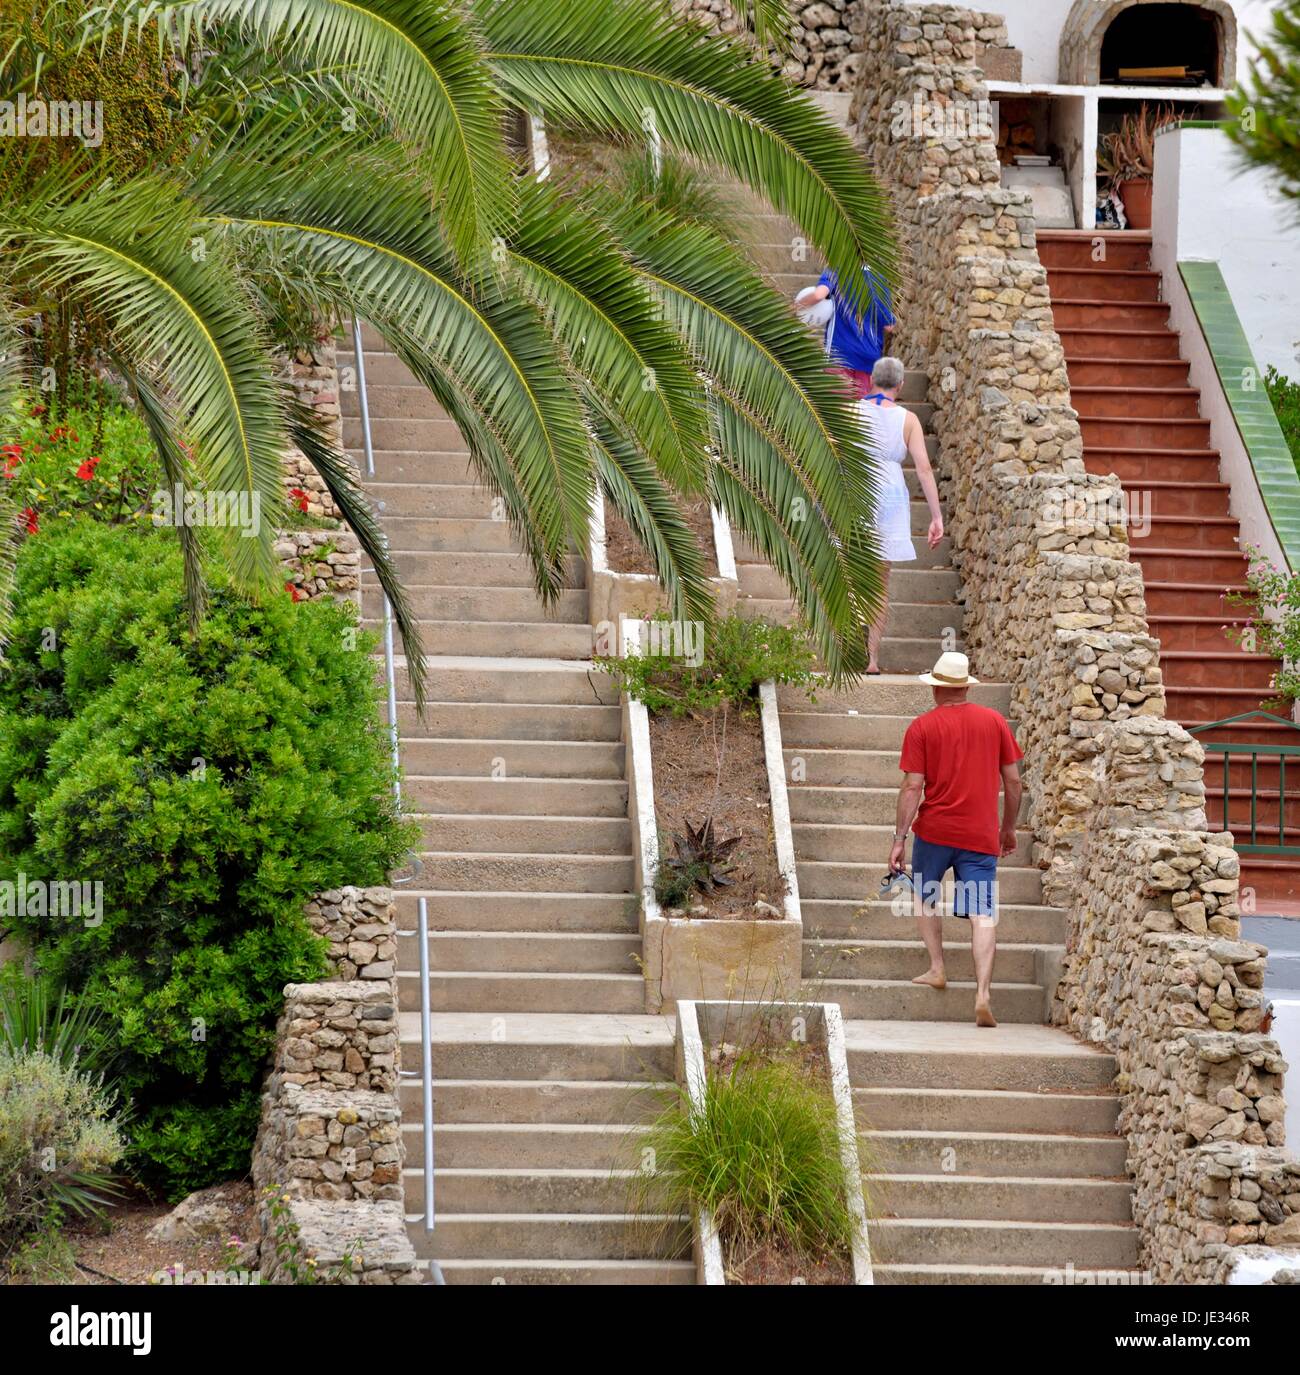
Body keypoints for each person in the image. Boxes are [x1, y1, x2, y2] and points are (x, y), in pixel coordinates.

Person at [887, 651, 1023, 1028]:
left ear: (935, 689)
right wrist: (1008, 828)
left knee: (924, 895)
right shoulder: (994, 722)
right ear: (965, 687)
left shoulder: (922, 727)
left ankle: (937, 968)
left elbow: (913, 786)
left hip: (934, 832)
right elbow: (1013, 781)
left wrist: (899, 838)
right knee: (982, 913)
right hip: (980, 836)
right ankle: (982, 993)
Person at [857, 357, 943, 674]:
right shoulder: (908, 420)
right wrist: (936, 517)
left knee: (848, 570)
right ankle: (873, 659)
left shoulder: (850, 412)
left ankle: (843, 643)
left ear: (871, 381)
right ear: (901, 385)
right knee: (880, 582)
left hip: (856, 488)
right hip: (891, 496)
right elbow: (923, 468)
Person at [794, 263, 895, 397]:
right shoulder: (879, 278)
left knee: (838, 411)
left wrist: (796, 306)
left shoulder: (837, 267)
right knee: (860, 412)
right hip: (869, 356)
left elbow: (819, 295)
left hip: (840, 354)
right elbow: (889, 326)